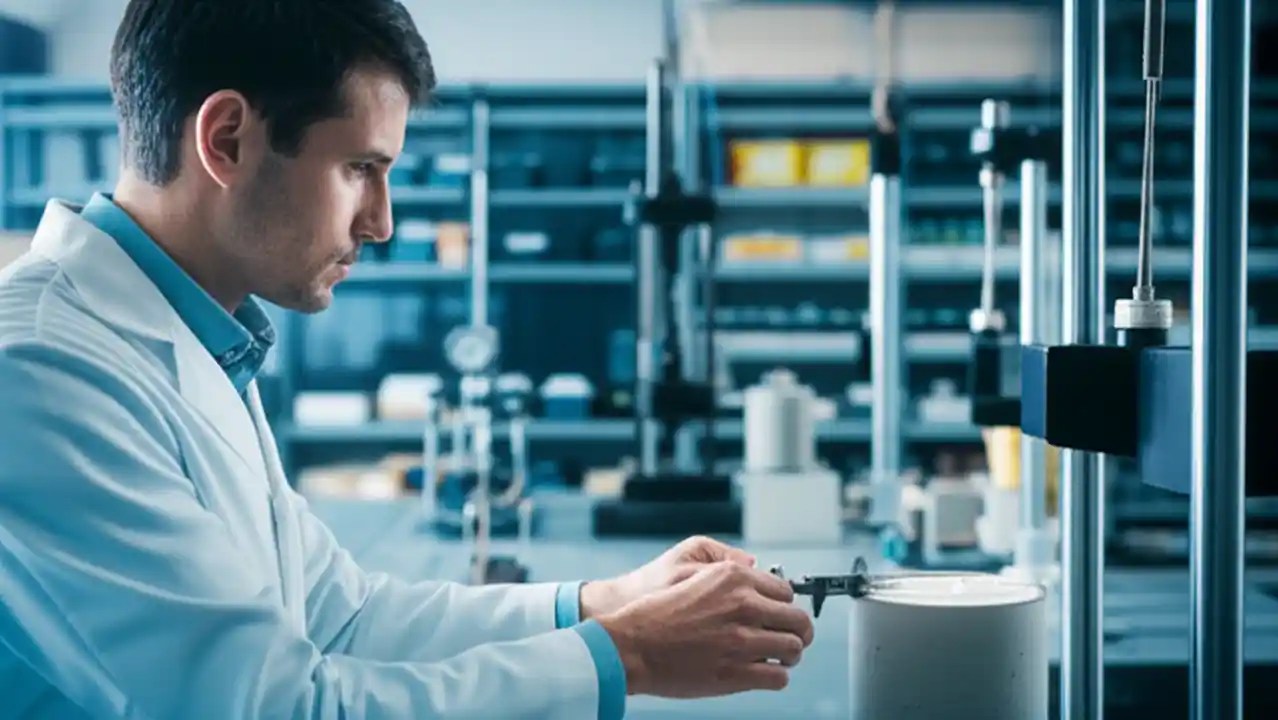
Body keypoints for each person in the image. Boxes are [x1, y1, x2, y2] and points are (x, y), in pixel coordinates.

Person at [0, 1, 814, 718]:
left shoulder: (199, 339)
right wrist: (626, 655)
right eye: (360, 169)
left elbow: (342, 618)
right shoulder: (42, 371)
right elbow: (275, 709)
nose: (381, 223)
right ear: (226, 138)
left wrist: (608, 604)